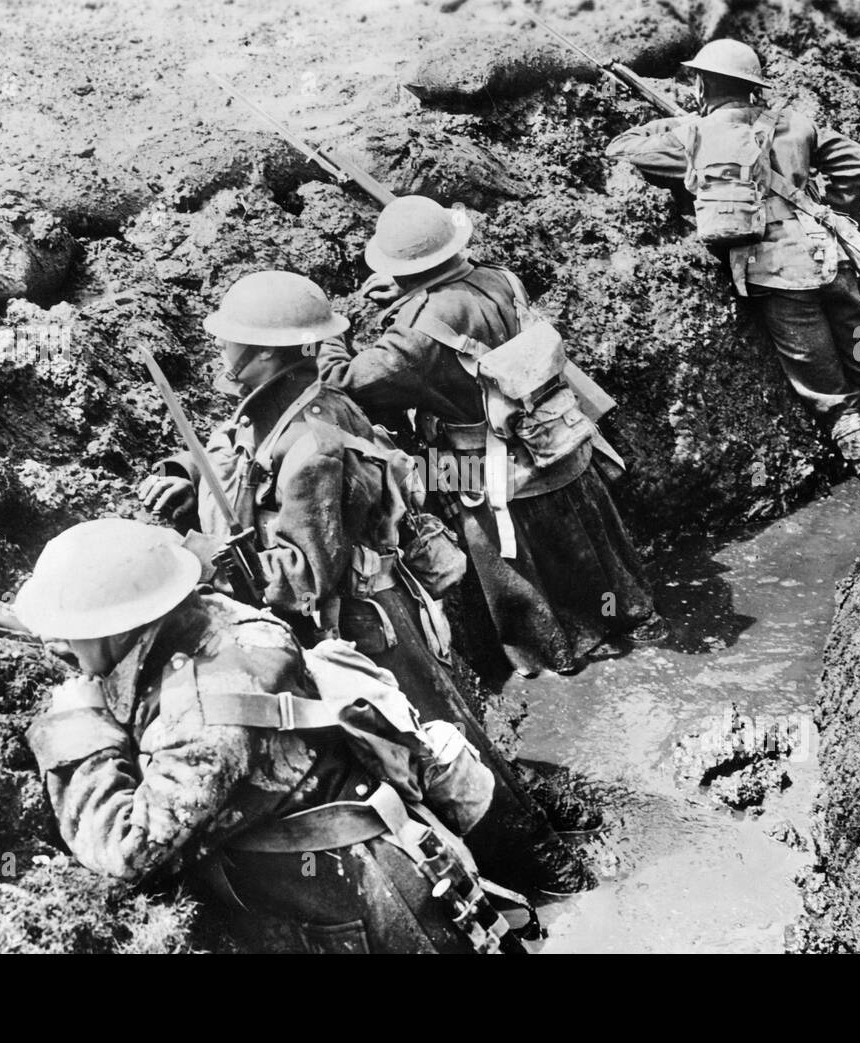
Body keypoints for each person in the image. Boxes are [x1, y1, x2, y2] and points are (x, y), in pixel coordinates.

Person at [138, 270, 592, 894]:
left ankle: (525, 868)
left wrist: (202, 554)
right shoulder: (296, 402)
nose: (221, 351)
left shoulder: (311, 446)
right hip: (377, 614)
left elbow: (301, 584)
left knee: (423, 750)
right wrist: (186, 471)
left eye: (231, 341)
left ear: (266, 353)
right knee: (438, 736)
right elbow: (236, 446)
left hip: (364, 633)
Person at [16, 518, 521, 953]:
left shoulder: (205, 720)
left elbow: (126, 852)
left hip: (372, 911)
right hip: (378, 872)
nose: (55, 643)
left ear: (121, 627)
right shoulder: (216, 617)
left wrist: (80, 733)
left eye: (71, 630)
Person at [317, 195, 669, 679]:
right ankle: (628, 623)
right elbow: (460, 303)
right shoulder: (502, 278)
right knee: (604, 577)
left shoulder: (415, 336)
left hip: (491, 477)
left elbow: (343, 387)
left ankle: (555, 663)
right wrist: (407, 295)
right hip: (563, 448)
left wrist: (329, 337)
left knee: (521, 593)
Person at [606, 39, 860, 492]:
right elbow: (859, 165)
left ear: (702, 83)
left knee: (830, 395)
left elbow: (625, 148)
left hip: (777, 274)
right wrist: (834, 210)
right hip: (831, 258)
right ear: (752, 86)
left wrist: (678, 122)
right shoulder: (795, 122)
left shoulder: (696, 134)